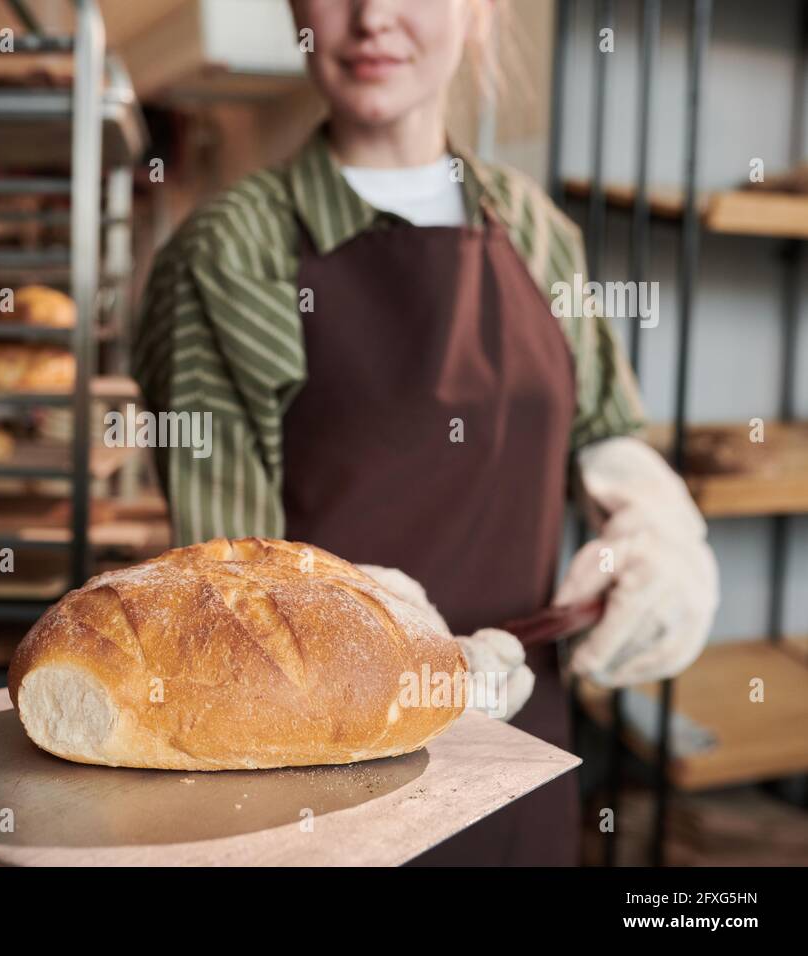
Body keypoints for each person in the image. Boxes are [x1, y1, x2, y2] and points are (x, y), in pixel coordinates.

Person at [133, 0, 718, 865]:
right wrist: (390, 657)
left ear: (480, 14)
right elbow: (232, 592)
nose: (374, 17)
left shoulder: (537, 231)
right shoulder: (229, 252)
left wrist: (661, 531)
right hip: (326, 787)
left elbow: (607, 433)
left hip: (529, 759)